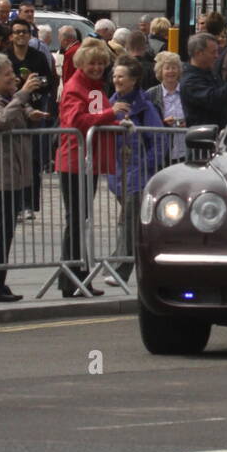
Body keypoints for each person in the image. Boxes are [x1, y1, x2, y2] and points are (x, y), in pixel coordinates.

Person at [55, 38, 131, 297]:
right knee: (76, 220)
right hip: (76, 160)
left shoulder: (95, 87)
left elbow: (95, 119)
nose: (98, 67)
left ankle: (77, 277)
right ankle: (72, 277)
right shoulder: (76, 86)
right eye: (93, 63)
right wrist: (110, 116)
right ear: (82, 64)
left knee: (81, 220)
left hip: (90, 160)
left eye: (101, 63)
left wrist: (114, 123)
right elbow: (75, 120)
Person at [0, 53, 48, 302]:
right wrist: (23, 94)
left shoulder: (4, 97)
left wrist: (29, 114)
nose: (14, 77)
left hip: (14, 170)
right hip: (3, 171)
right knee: (0, 230)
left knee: (4, 230)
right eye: (7, 75)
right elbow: (0, 120)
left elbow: (13, 113)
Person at [106, 56, 163, 283]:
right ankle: (149, 266)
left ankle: (120, 268)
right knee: (135, 222)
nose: (116, 80)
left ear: (133, 80)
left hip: (138, 174)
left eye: (121, 76)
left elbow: (158, 139)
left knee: (130, 219)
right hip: (117, 174)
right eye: (115, 76)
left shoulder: (145, 106)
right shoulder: (110, 103)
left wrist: (147, 165)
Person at [6, 17, 57, 219]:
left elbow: (49, 79)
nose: (21, 35)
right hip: (11, 110)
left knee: (33, 159)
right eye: (17, 32)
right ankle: (14, 203)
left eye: (24, 32)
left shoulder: (37, 56)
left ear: (30, 35)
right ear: (11, 36)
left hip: (35, 111)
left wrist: (35, 81)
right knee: (13, 160)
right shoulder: (5, 56)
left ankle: (29, 204)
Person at [145, 51, 188, 165]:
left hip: (185, 149)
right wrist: (162, 123)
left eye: (174, 68)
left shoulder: (187, 91)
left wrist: (188, 122)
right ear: (160, 71)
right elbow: (147, 121)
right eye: (167, 68)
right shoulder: (151, 94)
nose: (171, 71)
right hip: (162, 151)